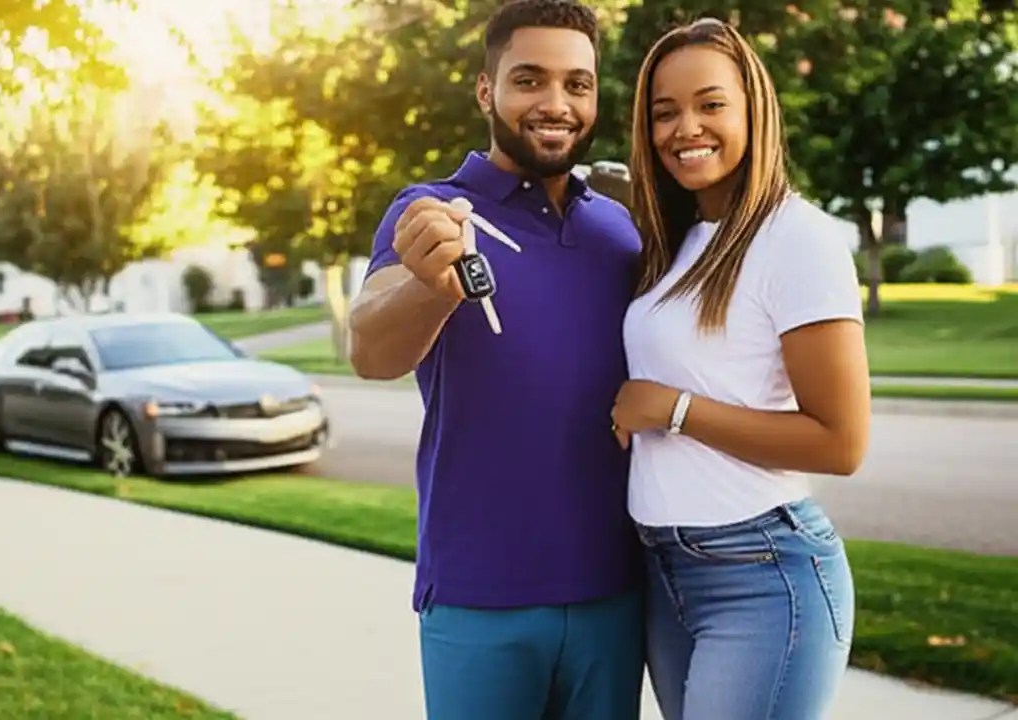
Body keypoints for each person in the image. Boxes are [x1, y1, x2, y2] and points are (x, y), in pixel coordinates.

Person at [347, 1, 645, 718]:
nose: (556, 103)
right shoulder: (431, 211)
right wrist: (429, 286)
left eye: (578, 84)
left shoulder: (621, 226)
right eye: (530, 80)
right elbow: (369, 347)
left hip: (614, 593)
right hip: (480, 597)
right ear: (487, 91)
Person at [610, 17, 870, 720]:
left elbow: (840, 443)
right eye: (664, 113)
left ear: (754, 110)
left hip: (761, 574)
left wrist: (672, 409)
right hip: (664, 571)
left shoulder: (798, 238)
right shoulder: (681, 242)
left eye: (711, 104)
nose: (685, 127)